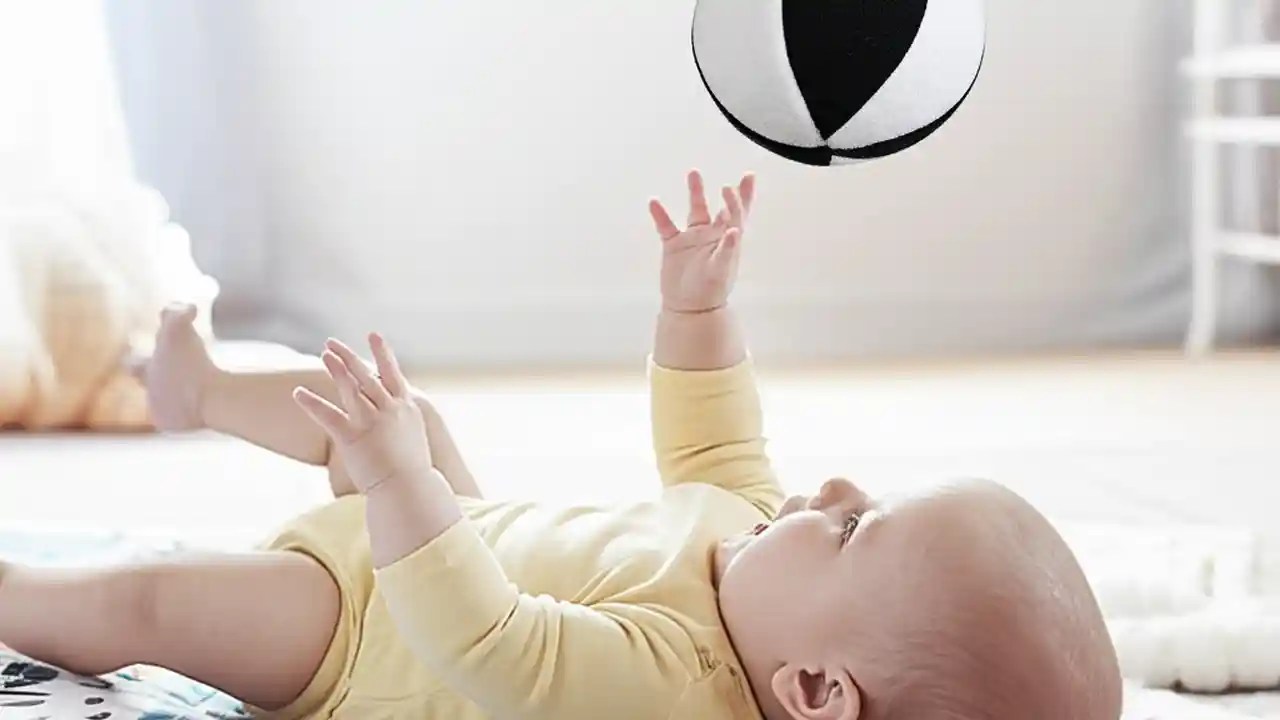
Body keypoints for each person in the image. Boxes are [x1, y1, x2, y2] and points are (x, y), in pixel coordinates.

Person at [0, 170, 1123, 719]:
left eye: (852, 529)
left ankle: (17, 592)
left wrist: (395, 480)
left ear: (817, 688)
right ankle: (198, 391)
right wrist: (696, 310)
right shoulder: (751, 544)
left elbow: (493, 642)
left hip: (355, 633)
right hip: (446, 532)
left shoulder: (671, 687)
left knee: (151, 601)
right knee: (401, 410)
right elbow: (715, 439)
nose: (829, 487)